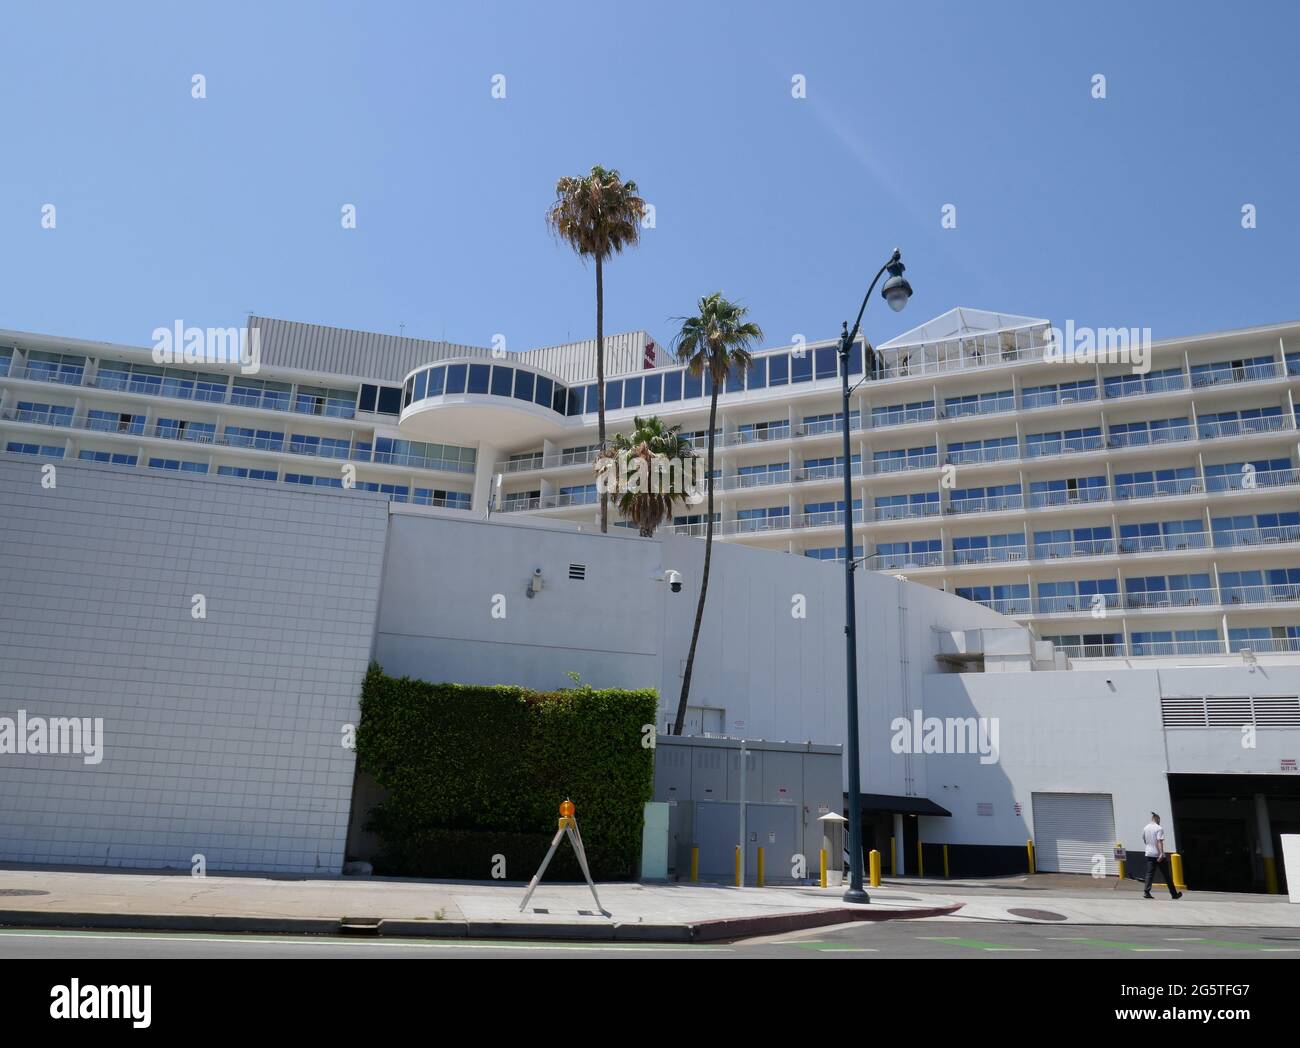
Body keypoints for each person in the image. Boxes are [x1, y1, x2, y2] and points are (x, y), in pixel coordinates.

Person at [1141, 812, 1183, 899]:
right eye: (1159, 820)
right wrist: (1160, 854)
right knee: (1167, 875)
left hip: (1149, 854)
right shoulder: (1159, 828)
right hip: (1158, 855)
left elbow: (1145, 840)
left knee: (1149, 874)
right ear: (1157, 819)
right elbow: (1159, 841)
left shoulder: (1145, 828)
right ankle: (1174, 894)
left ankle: (1146, 892)